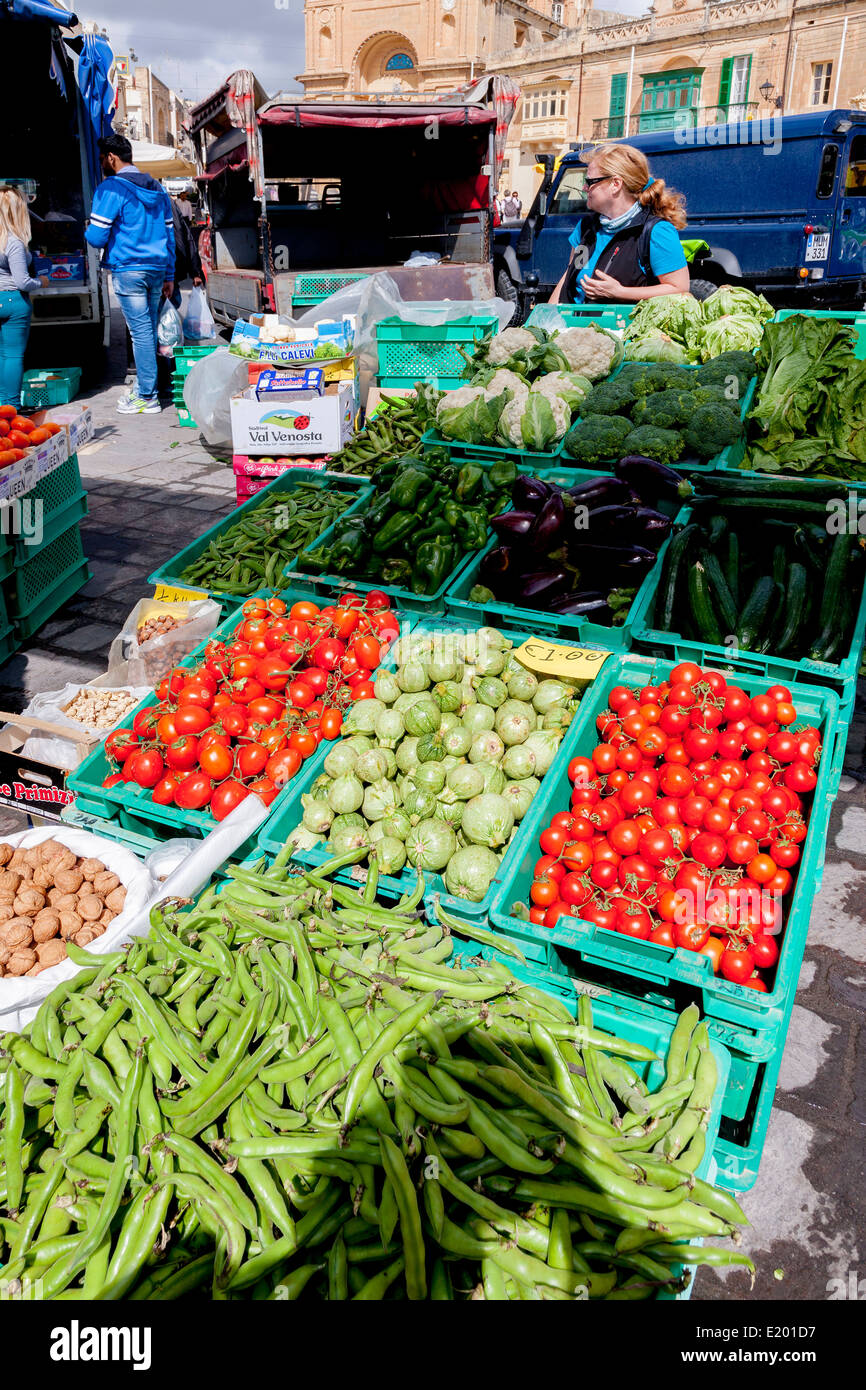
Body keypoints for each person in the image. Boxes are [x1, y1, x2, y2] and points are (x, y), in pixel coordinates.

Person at [85, 133, 175, 415]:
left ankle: (147, 396)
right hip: (157, 268)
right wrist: (170, 274)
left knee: (141, 333)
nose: (101, 163)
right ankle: (148, 391)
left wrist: (88, 228)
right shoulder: (158, 189)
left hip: (129, 269)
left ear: (111, 158)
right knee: (147, 330)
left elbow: (97, 238)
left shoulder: (110, 189)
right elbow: (170, 236)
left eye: (102, 159)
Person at [550, 143, 690, 305]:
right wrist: (544, 319)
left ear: (615, 184)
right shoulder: (585, 227)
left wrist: (620, 292)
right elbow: (569, 276)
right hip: (578, 329)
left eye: (589, 181)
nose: (584, 187)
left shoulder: (656, 231)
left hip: (626, 329)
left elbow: (679, 289)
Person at [0, 188, 49, 407]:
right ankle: (11, 408)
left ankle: (2, 405)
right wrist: (41, 282)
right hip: (13, 300)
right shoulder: (13, 242)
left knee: (2, 356)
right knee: (12, 356)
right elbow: (22, 281)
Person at [169, 198, 204, 310]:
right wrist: (195, 272)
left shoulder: (126, 194)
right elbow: (185, 236)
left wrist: (196, 272)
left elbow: (184, 235)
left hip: (132, 269)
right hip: (168, 269)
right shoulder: (167, 200)